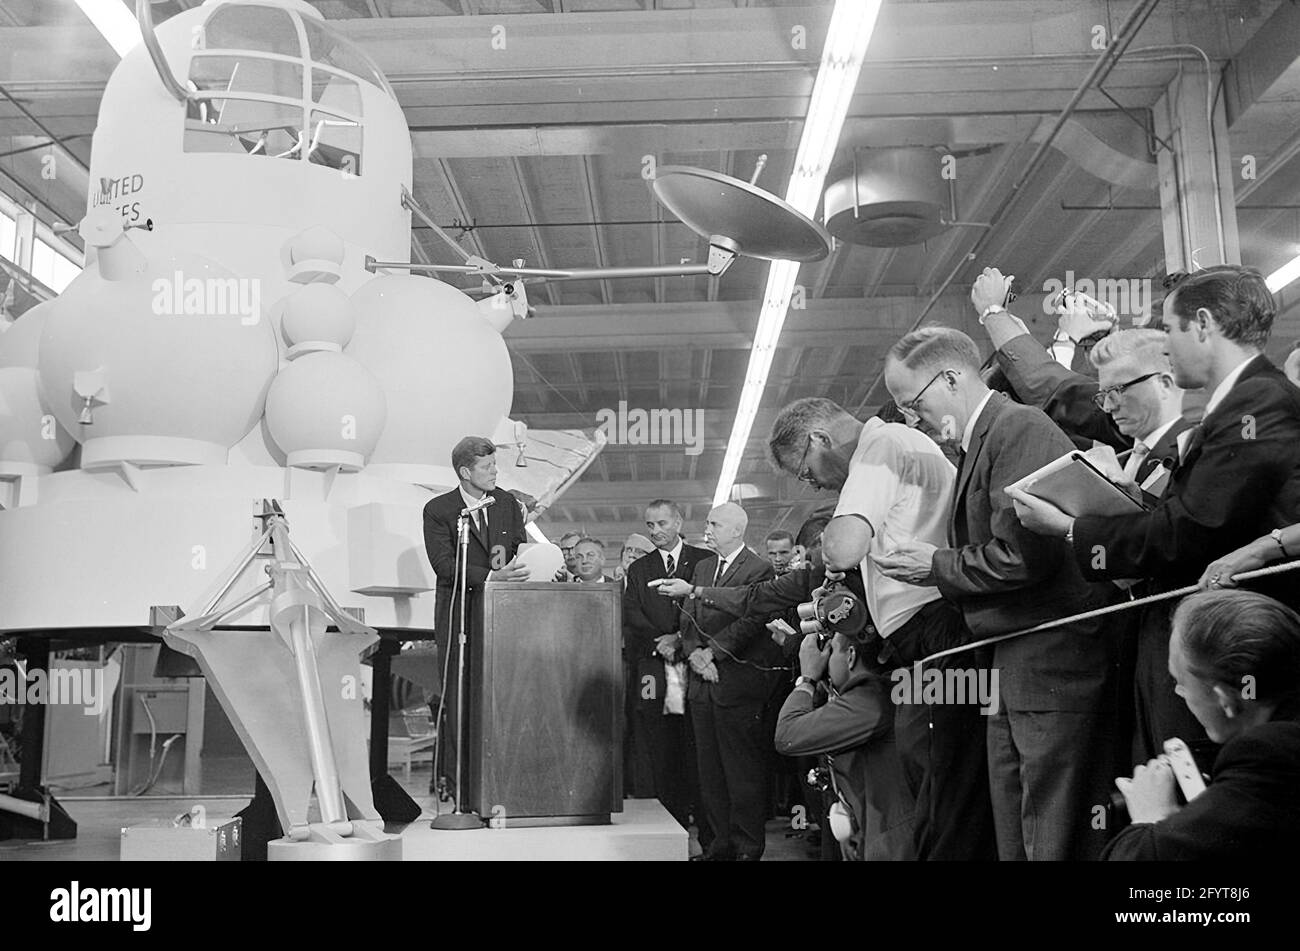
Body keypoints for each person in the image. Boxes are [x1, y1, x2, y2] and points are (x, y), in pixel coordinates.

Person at [878, 327, 1119, 861]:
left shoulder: (1017, 429)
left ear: (952, 378)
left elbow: (1026, 556)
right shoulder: (986, 439)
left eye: (912, 404)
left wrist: (935, 565)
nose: (911, 419)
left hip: (1049, 652)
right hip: (1017, 652)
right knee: (1017, 813)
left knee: (1049, 817)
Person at [972, 267, 1202, 769]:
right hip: (1139, 643)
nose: (1108, 407)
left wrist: (1070, 528)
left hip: (1183, 645)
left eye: (1119, 392)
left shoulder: (1203, 448)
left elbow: (1053, 391)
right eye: (1105, 394)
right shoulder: (1132, 451)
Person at [767, 396, 996, 861]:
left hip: (935, 633)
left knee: (941, 796)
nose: (810, 485)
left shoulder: (880, 446)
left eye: (805, 471)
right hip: (930, 637)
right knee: (940, 791)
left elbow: (841, 549)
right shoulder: (899, 444)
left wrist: (836, 546)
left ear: (820, 438)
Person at [1104, 589, 1300, 860]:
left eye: (1180, 683)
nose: (1177, 693)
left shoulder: (1266, 756)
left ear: (1224, 700)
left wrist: (1151, 818)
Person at [661, 502, 776, 860]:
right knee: (709, 774)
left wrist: (714, 653)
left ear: (736, 530)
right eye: (708, 523)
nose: (707, 529)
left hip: (737, 684)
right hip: (701, 685)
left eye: (715, 524)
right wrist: (695, 653)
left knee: (741, 774)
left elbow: (753, 618)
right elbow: (688, 616)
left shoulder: (760, 569)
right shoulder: (703, 566)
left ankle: (747, 848)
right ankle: (719, 846)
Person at [422, 436, 529, 798]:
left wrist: (543, 567)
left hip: (503, 617)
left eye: (495, 464)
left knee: (502, 698)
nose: (495, 471)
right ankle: (460, 790)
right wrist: (488, 577)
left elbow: (519, 549)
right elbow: (444, 565)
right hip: (459, 617)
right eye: (487, 467)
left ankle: (500, 783)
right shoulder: (438, 509)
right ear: (466, 472)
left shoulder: (508, 505)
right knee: (460, 699)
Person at [775, 629, 916, 861]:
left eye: (831, 652)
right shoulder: (878, 691)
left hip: (894, 845)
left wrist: (807, 678)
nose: (825, 662)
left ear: (850, 656)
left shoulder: (869, 700)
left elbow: (787, 736)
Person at [621, 501, 711, 835]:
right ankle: (671, 828)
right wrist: (661, 642)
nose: (655, 531)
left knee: (698, 750)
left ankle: (708, 830)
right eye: (650, 525)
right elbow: (632, 614)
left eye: (661, 524)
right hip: (654, 669)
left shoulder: (703, 561)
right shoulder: (640, 568)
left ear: (678, 521)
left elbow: (706, 610)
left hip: (695, 667)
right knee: (662, 748)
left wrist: (678, 638)